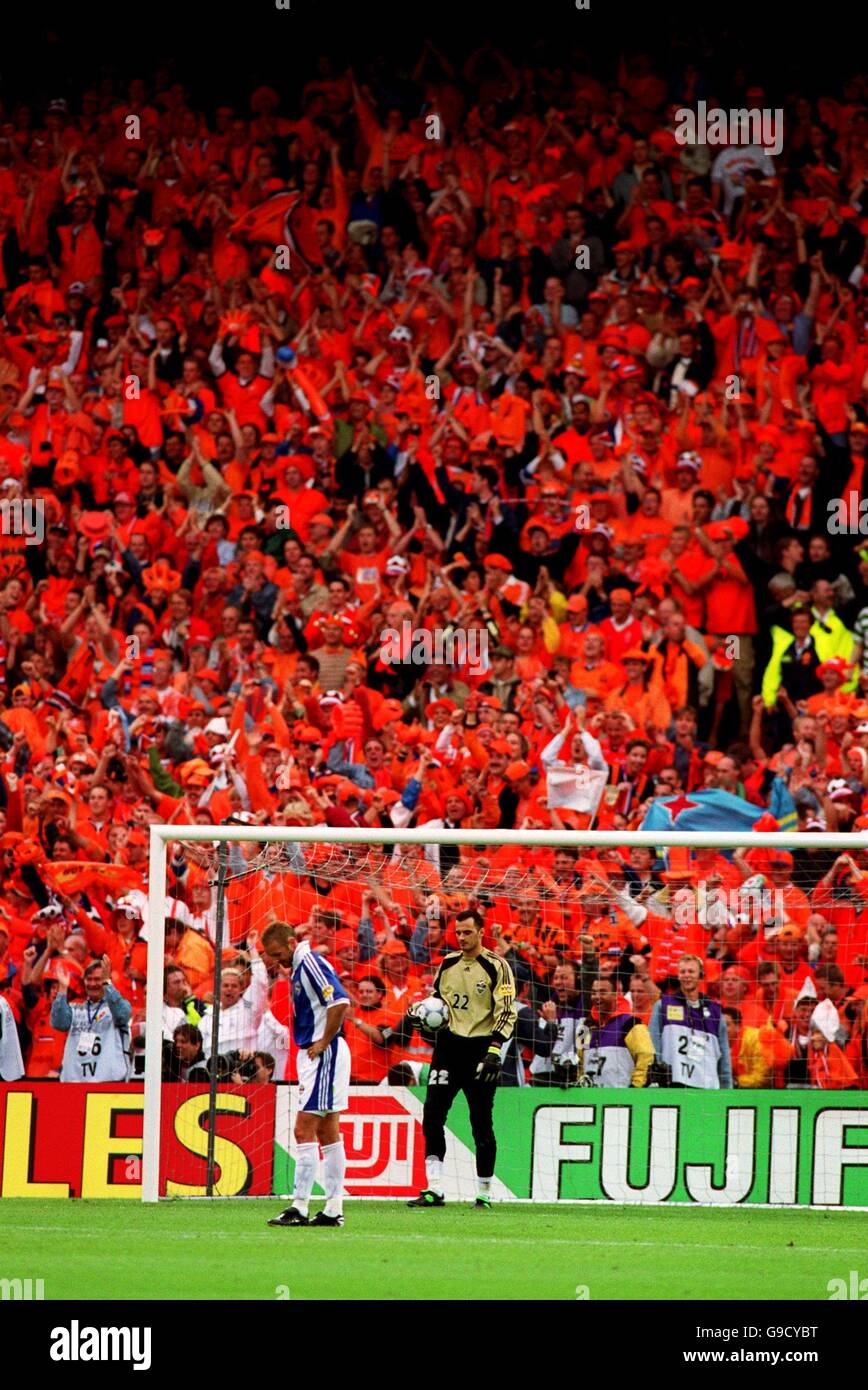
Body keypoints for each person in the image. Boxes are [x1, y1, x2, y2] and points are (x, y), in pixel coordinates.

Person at [407, 909, 516, 1209]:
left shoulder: (497, 966)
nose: (462, 937)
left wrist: (495, 1049)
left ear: (482, 932)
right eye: (458, 933)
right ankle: (435, 1188)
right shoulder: (448, 962)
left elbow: (506, 1010)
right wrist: (420, 1014)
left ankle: (484, 1192)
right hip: (448, 1047)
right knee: (432, 1116)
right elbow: (437, 1003)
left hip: (481, 1050)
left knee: (480, 1122)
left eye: (468, 932)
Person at [260, 921, 351, 1228]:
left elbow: (339, 1002)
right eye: (271, 957)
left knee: (304, 1129)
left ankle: (300, 1206)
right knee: (327, 1131)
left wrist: (323, 1042)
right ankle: (333, 1208)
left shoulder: (309, 962)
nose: (276, 960)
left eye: (277, 953)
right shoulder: (300, 966)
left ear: (290, 941)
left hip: (323, 1053)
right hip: (320, 1053)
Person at [648, 954, 732, 1089]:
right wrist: (655, 1080)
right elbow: (653, 1045)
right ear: (678, 976)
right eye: (683, 971)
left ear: (701, 975)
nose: (687, 975)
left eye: (691, 971)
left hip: (706, 1087)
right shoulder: (662, 1005)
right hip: (673, 1084)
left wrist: (727, 1089)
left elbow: (724, 1055)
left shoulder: (715, 1011)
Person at [50, 955, 132, 1082]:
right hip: (76, 1083)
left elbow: (122, 1015)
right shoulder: (75, 1008)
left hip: (109, 1084)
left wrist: (107, 985)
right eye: (89, 979)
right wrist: (63, 989)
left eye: (98, 979)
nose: (93, 984)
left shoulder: (115, 1007)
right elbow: (59, 1023)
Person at [582, 976, 655, 1087]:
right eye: (593, 993)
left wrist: (635, 1089)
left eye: (602, 992)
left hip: (621, 1100)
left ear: (615, 995)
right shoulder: (584, 1027)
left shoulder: (632, 1024)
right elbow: (579, 1062)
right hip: (589, 1098)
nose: (597, 997)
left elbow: (646, 1058)